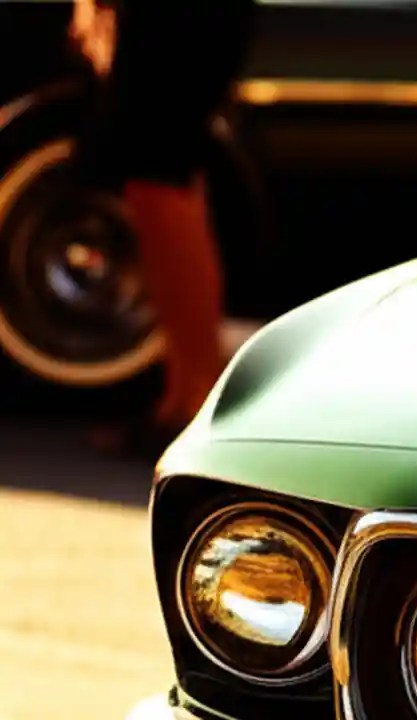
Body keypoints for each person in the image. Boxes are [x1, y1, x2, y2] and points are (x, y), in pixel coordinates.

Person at [68, 0, 256, 456]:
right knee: (162, 182)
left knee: (161, 181)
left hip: (176, 16)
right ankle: (184, 396)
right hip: (179, 17)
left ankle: (195, 401)